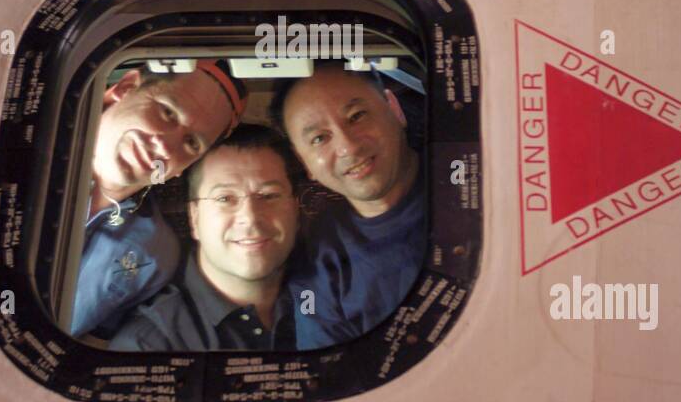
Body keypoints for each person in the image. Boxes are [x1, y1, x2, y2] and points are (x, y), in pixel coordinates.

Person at [70, 60, 247, 340]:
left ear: (181, 169)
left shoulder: (156, 255)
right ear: (125, 88)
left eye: (191, 143)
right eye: (166, 112)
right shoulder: (11, 160)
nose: (165, 146)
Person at [108, 124, 300, 352]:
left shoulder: (320, 296)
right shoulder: (150, 347)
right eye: (225, 198)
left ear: (296, 209)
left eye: (269, 196)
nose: (250, 218)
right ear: (194, 218)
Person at [273, 63, 425, 348]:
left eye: (357, 116)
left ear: (394, 108)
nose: (348, 147)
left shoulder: (473, 181)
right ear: (303, 161)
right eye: (319, 138)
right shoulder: (318, 261)